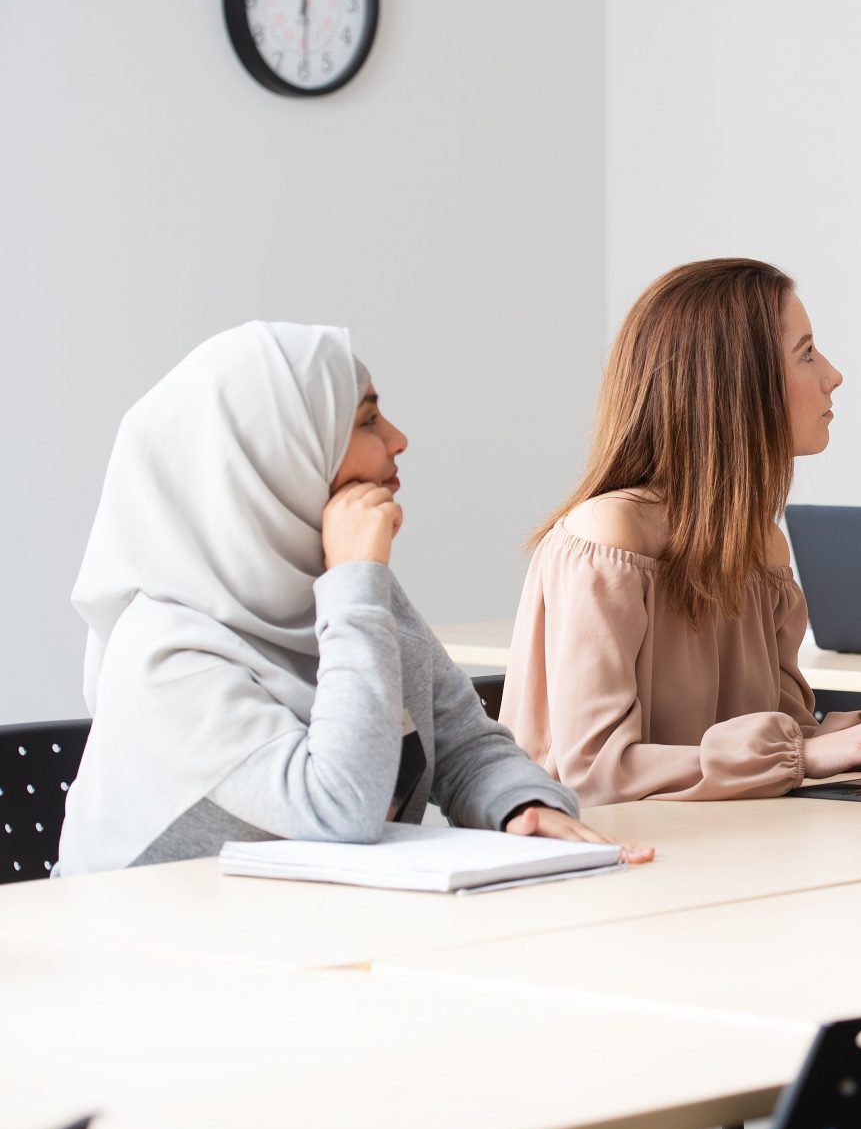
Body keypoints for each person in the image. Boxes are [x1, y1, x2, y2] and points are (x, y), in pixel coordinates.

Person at [56, 323, 647, 875]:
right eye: (367, 421)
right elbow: (338, 812)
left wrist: (521, 806)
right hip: (146, 964)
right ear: (279, 454)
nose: (398, 439)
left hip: (309, 940)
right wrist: (356, 583)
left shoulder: (353, 590)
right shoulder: (164, 651)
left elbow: (466, 742)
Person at [503, 259, 861, 805]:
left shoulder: (762, 547)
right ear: (738, 382)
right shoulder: (609, 535)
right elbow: (594, 772)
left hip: (720, 853)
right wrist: (803, 754)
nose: (833, 375)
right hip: (598, 868)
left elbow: (775, 740)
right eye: (806, 353)